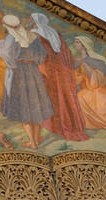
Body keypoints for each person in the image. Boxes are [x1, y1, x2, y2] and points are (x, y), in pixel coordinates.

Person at [0, 15, 53, 148]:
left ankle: (33, 143)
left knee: (24, 109)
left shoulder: (11, 38)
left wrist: (0, 46)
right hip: (33, 73)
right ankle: (36, 141)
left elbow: (8, 55)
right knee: (34, 107)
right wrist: (32, 60)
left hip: (18, 74)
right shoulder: (32, 37)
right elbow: (42, 55)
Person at [30, 13, 88, 142]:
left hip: (47, 70)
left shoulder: (36, 34)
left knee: (53, 96)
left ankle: (59, 126)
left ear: (37, 22)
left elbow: (35, 54)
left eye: (33, 20)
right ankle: (66, 125)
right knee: (63, 96)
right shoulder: (55, 33)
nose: (31, 22)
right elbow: (65, 54)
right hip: (61, 70)